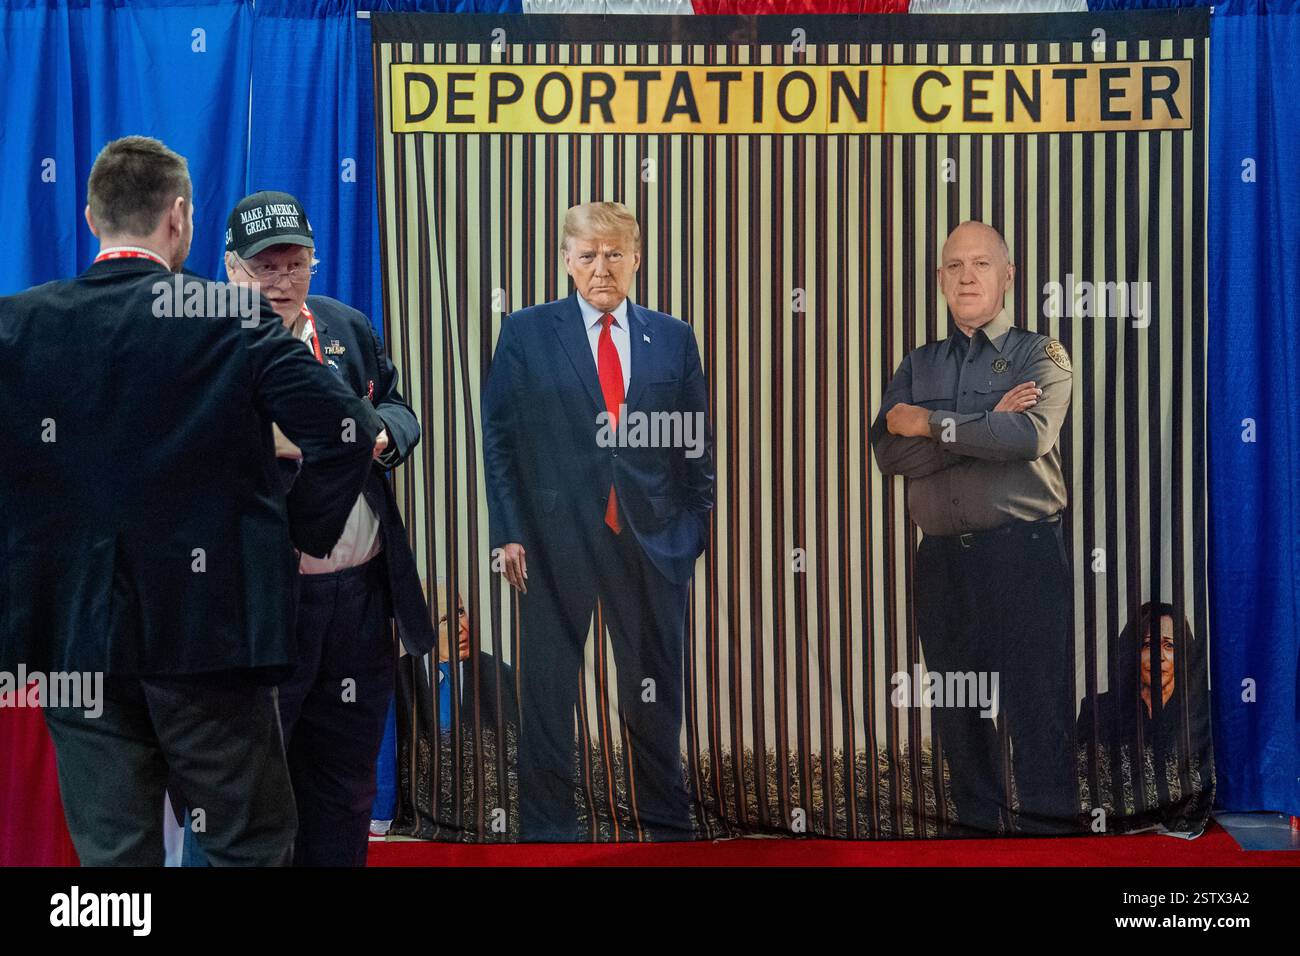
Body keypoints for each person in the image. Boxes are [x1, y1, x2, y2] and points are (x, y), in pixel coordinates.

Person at [0, 136, 384, 865]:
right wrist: (295, 536)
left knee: (115, 861)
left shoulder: (15, 325)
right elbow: (349, 431)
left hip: (72, 641)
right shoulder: (229, 318)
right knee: (246, 846)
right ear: (179, 218)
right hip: (212, 641)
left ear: (90, 217)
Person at [482, 201, 713, 841]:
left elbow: (696, 442)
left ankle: (664, 830)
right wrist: (508, 531)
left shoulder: (672, 336)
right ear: (566, 260)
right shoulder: (527, 332)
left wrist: (692, 530)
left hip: (652, 543)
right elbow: (498, 439)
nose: (601, 267)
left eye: (614, 254)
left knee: (654, 691)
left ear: (636, 259)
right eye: (587, 254)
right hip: (553, 545)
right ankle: (547, 832)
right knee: (549, 694)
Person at [220, 190, 436, 866]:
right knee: (258, 789)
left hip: (361, 596)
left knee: (344, 784)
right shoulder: (202, 345)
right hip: (266, 602)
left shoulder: (345, 326)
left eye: (296, 265)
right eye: (265, 268)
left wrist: (377, 439)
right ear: (231, 269)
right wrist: (282, 444)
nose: (282, 282)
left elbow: (398, 407)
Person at [869, 220, 1076, 836]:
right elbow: (888, 455)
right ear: (939, 279)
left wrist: (930, 424)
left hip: (1024, 555)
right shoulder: (918, 363)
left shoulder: (1041, 355)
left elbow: (1028, 436)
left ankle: (1049, 838)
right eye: (954, 265)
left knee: (1036, 708)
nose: (966, 276)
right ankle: (977, 835)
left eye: (981, 264)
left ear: (1008, 276)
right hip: (942, 563)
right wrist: (985, 420)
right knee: (958, 705)